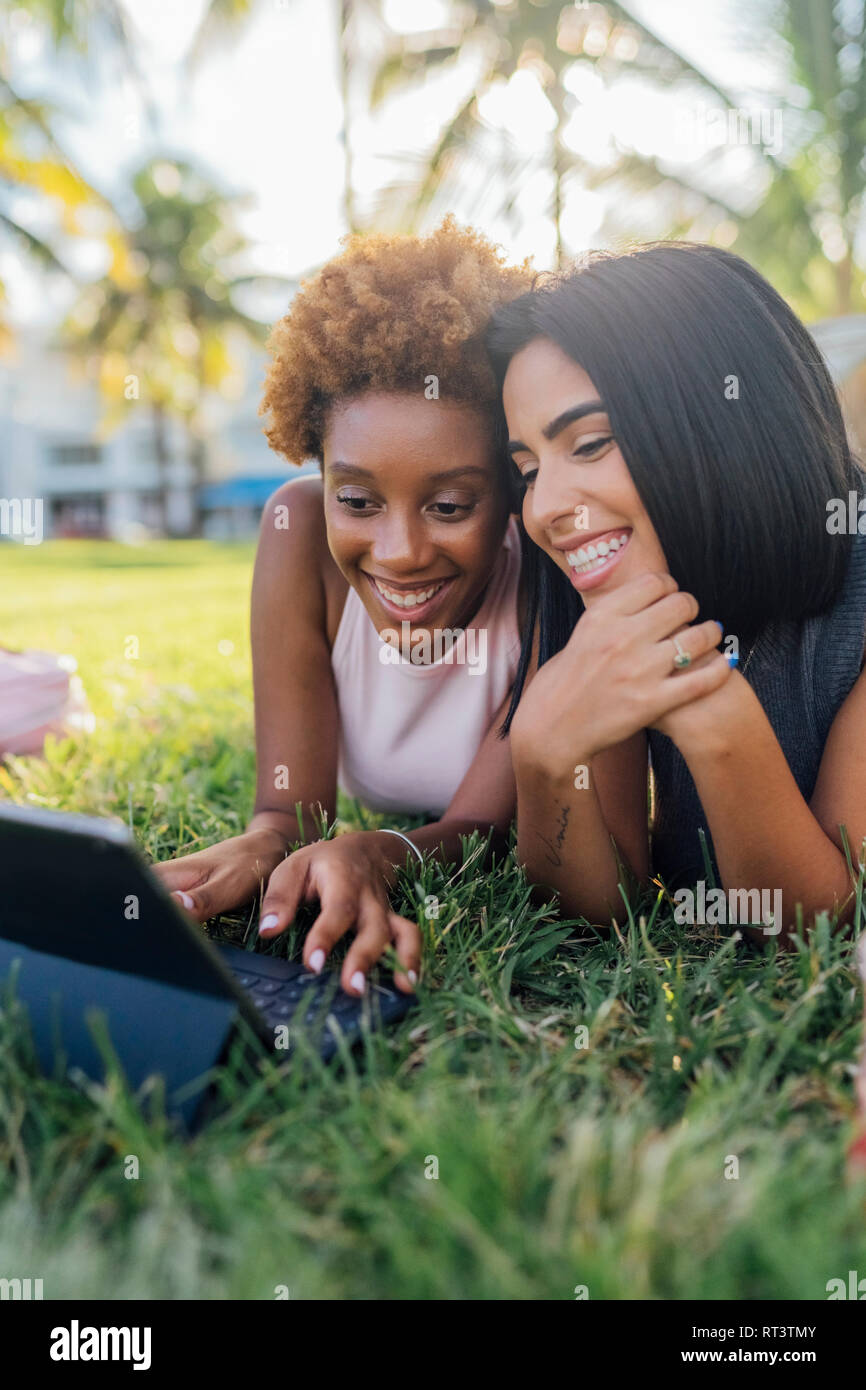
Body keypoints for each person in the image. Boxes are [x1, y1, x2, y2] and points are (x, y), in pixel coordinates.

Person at [154, 218, 531, 993]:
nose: (399, 551)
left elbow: (479, 830)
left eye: (452, 504)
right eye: (357, 498)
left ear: (513, 490)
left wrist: (377, 850)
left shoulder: (546, 570)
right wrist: (263, 845)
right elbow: (292, 808)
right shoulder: (295, 535)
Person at [487, 241, 866, 943]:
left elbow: (821, 929)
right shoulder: (607, 590)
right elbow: (602, 911)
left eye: (592, 443)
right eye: (528, 469)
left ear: (725, 423)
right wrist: (541, 755)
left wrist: (716, 717)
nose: (544, 508)